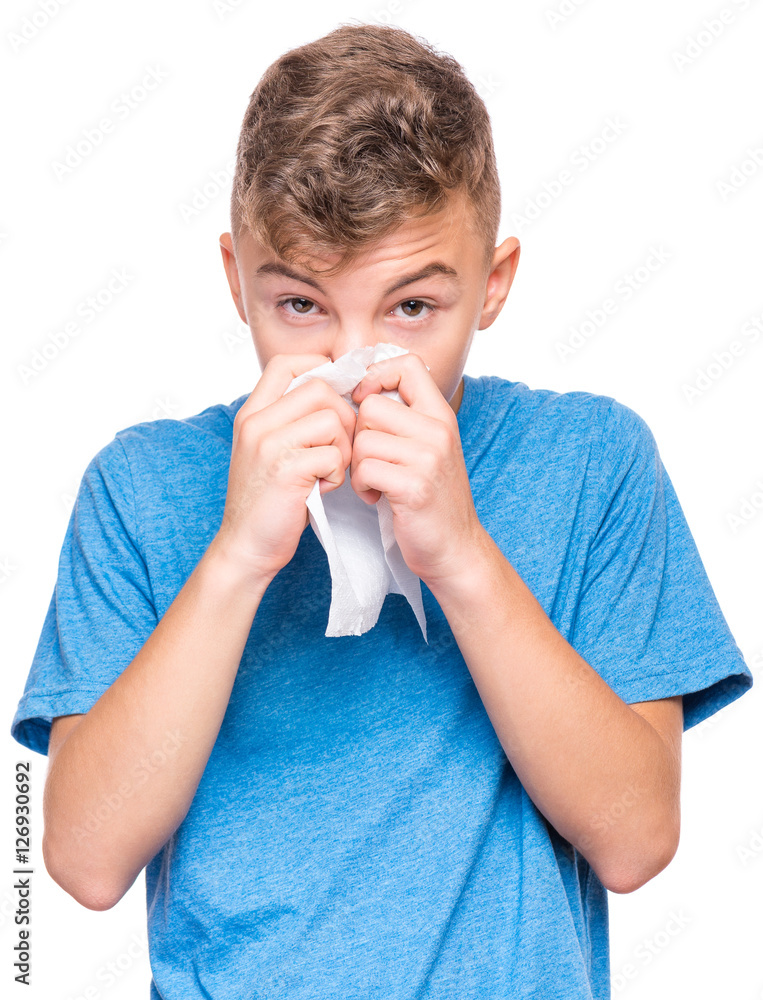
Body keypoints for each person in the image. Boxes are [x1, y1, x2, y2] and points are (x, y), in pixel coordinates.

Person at [10, 22, 753, 1000]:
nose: (355, 370)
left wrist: (461, 555)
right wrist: (236, 555)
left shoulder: (592, 464)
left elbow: (636, 839)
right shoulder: (141, 486)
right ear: (237, 281)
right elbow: (81, 859)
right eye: (302, 307)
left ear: (491, 284)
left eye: (410, 309)